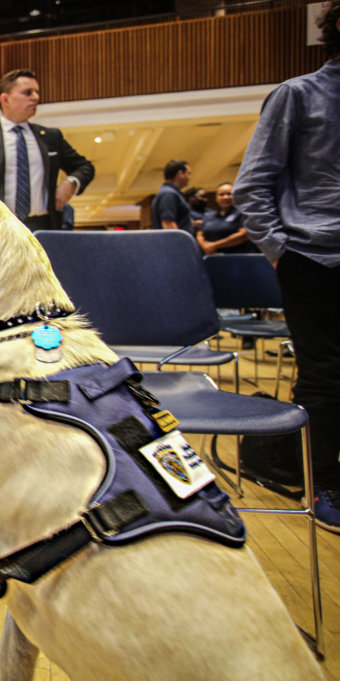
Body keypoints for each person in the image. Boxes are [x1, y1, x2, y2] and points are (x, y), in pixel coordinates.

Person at [233, 0, 340, 533]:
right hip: (314, 256)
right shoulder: (298, 95)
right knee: (324, 374)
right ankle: (324, 482)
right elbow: (253, 187)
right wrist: (283, 249)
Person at [0, 68, 94, 231]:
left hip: (43, 228)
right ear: (5, 100)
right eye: (28, 93)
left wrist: (71, 183)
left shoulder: (51, 138)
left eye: (36, 92)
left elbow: (85, 167)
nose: (36, 97)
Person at [197, 182, 255, 255]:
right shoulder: (208, 215)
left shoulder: (243, 213)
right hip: (212, 257)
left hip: (238, 258)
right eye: (222, 195)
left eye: (229, 194)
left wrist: (214, 245)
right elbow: (200, 234)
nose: (226, 197)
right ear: (216, 198)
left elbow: (243, 235)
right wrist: (205, 247)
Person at [150, 159, 193, 233]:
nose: (190, 177)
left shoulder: (168, 192)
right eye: (188, 173)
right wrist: (178, 243)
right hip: (176, 243)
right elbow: (168, 223)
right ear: (180, 173)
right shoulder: (169, 194)